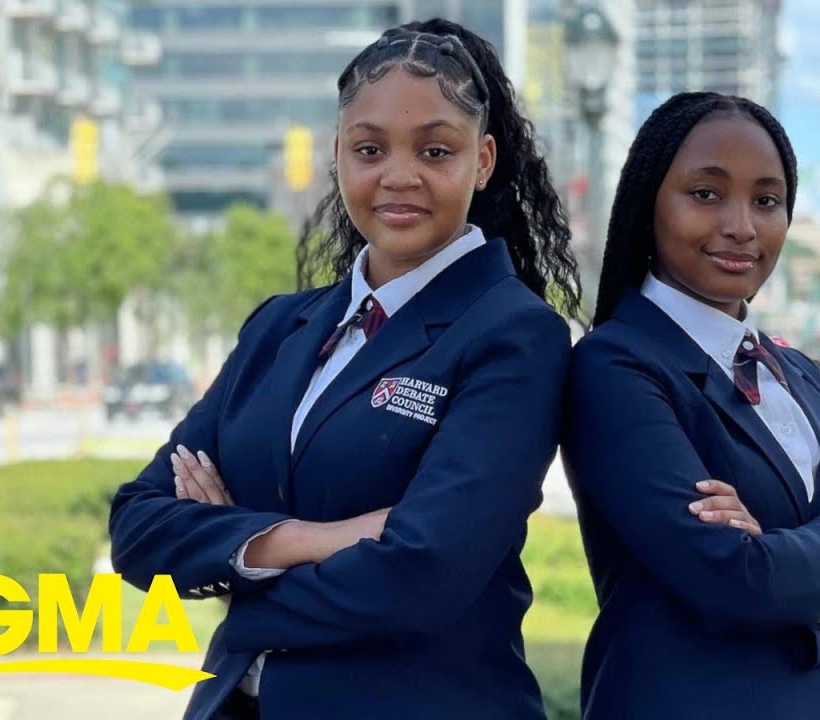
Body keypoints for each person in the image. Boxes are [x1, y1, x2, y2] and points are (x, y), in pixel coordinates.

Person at [109, 20, 580, 720]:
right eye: (369, 148)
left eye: (435, 150)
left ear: (481, 162)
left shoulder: (515, 335)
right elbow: (139, 526)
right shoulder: (279, 326)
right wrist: (301, 539)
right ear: (336, 156)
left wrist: (237, 566)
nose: (399, 175)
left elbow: (425, 574)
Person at [562, 92, 820, 720]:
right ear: (649, 206)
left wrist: (776, 560)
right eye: (706, 194)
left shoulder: (798, 375)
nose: (742, 226)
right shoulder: (615, 368)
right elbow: (730, 576)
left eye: (767, 201)